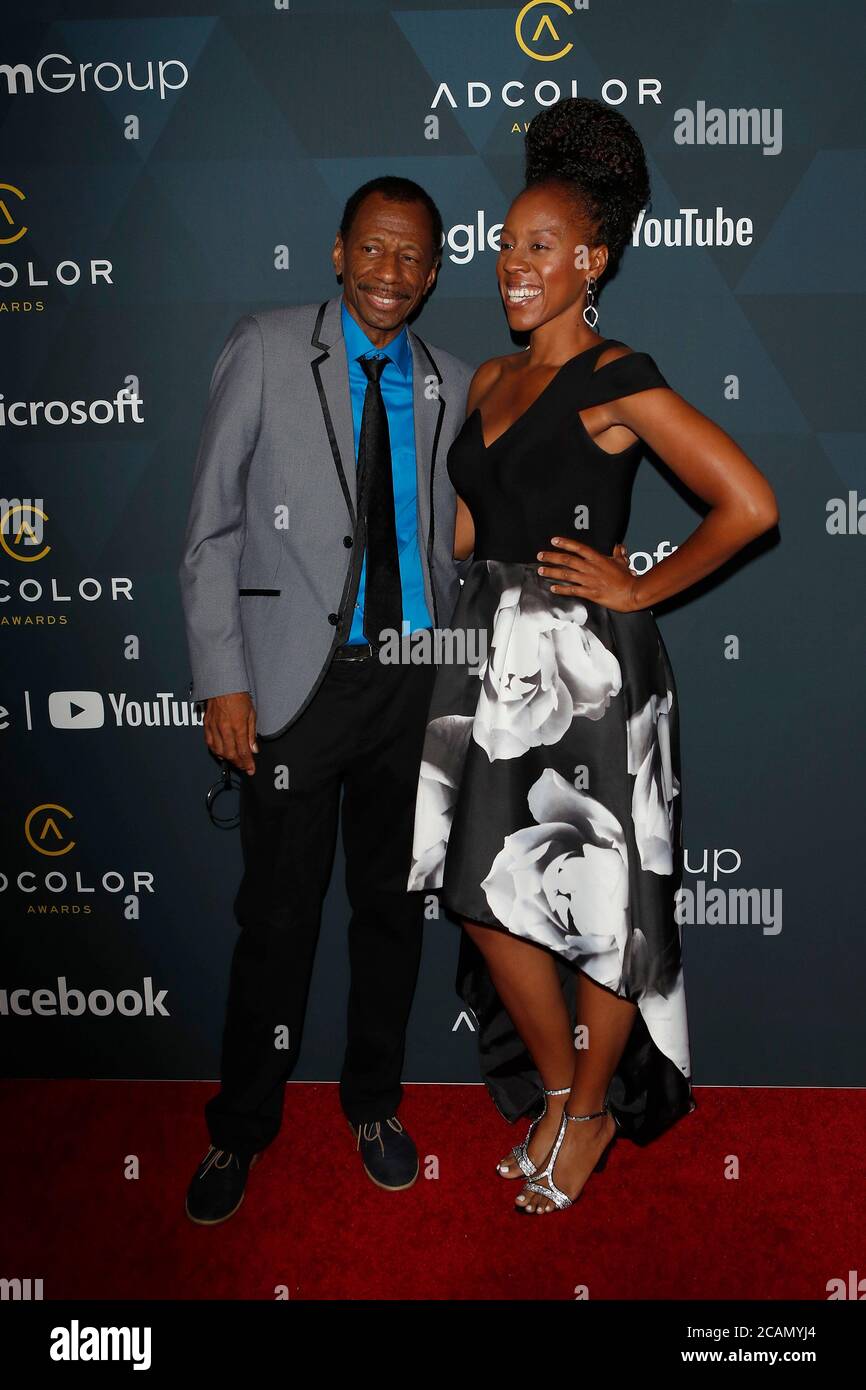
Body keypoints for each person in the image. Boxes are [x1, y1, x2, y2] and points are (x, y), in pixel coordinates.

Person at [178, 172, 633, 1225]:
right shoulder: (264, 345)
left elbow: (499, 512)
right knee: (276, 922)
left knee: (392, 916)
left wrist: (599, 551)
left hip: (417, 686)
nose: (390, 273)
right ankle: (240, 1126)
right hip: (295, 684)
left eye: (411, 257)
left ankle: (374, 1102)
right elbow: (206, 528)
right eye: (371, 251)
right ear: (339, 253)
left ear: (433, 273)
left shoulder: (456, 380)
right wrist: (222, 677)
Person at [408, 98, 779, 1215]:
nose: (510, 264)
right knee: (478, 895)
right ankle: (574, 1092)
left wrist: (635, 584)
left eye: (538, 247)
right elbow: (468, 534)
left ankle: (586, 1111)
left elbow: (748, 504)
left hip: (585, 668)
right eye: (505, 243)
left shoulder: (615, 375)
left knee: (600, 904)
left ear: (591, 261)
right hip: (483, 657)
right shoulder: (485, 381)